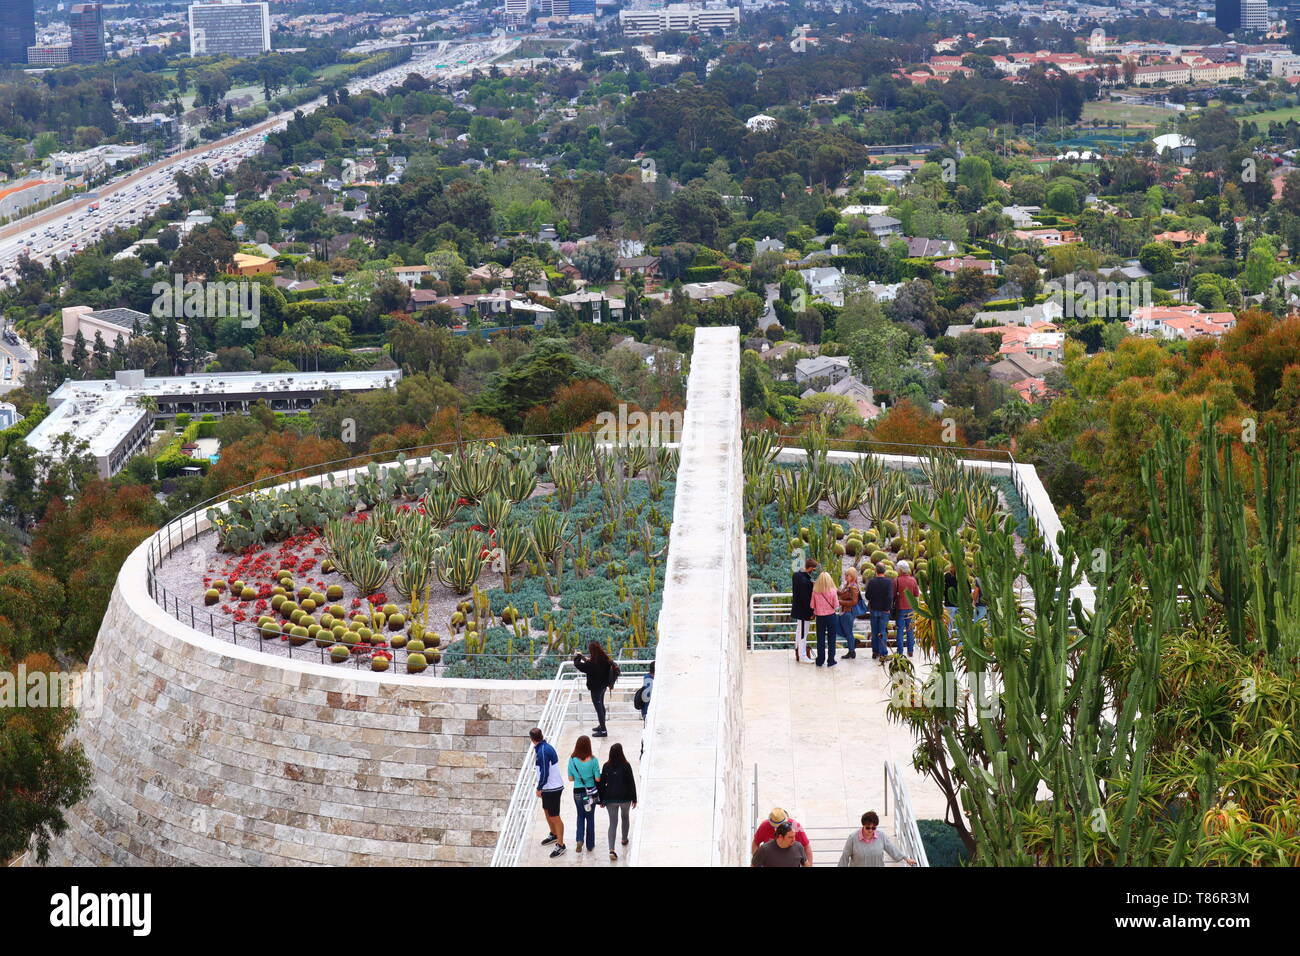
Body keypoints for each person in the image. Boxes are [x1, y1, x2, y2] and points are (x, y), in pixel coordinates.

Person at [530, 728, 566, 858]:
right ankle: (554, 834)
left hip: (552, 789)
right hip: (548, 788)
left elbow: (545, 771)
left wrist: (539, 787)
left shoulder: (543, 751)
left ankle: (561, 845)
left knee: (554, 816)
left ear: (531, 739)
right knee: (546, 811)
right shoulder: (543, 747)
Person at [599, 742, 637, 861]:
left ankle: (611, 849)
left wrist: (602, 799)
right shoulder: (626, 765)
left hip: (610, 799)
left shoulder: (606, 766)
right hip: (625, 798)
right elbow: (631, 782)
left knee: (613, 823)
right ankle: (624, 839)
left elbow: (602, 784)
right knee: (625, 817)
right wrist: (634, 798)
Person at [837, 811, 916, 867]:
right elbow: (845, 856)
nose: (870, 830)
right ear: (863, 825)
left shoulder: (881, 835)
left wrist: (906, 858)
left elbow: (891, 848)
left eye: (873, 827)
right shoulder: (853, 838)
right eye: (867, 828)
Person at [567, 735, 602, 853]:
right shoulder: (593, 760)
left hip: (577, 792)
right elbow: (598, 779)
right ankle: (590, 845)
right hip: (590, 792)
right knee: (590, 818)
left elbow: (570, 778)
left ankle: (579, 840)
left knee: (580, 816)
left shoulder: (572, 759)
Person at [573, 642, 615, 737]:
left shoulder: (593, 664)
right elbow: (589, 663)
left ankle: (603, 731)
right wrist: (582, 657)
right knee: (601, 706)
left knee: (599, 708)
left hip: (596, 689)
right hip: (603, 687)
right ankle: (601, 725)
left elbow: (578, 665)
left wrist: (577, 657)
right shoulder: (604, 659)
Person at [863, 563, 895, 660]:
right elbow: (890, 597)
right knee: (882, 632)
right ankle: (883, 653)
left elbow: (867, 596)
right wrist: (887, 609)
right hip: (884, 611)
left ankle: (875, 652)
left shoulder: (871, 582)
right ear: (884, 571)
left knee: (874, 631)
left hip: (873, 610)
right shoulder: (889, 582)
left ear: (875, 571)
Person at [790, 559, 818, 663]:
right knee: (803, 633)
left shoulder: (797, 576)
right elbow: (806, 599)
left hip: (799, 611)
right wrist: (812, 612)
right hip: (803, 612)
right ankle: (802, 656)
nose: (813, 572)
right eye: (813, 570)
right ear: (810, 568)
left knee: (799, 632)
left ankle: (798, 652)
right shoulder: (805, 581)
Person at [810, 571, 840, 667]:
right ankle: (831, 660)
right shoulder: (833, 590)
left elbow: (812, 605)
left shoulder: (815, 591)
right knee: (832, 639)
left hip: (820, 618)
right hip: (831, 617)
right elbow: (836, 606)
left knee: (820, 639)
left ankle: (820, 660)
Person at [893, 561, 921, 657]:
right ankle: (910, 651)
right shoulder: (913, 580)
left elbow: (892, 595)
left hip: (900, 608)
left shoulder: (897, 580)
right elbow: (916, 594)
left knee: (900, 631)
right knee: (910, 630)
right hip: (911, 608)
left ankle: (900, 652)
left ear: (900, 569)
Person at [837, 566, 861, 659]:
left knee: (848, 632)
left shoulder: (853, 587)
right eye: (845, 575)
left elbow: (854, 602)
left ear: (852, 576)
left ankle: (851, 651)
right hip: (844, 611)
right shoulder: (848, 585)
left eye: (847, 575)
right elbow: (843, 594)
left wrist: (839, 602)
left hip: (848, 612)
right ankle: (853, 644)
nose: (845, 577)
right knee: (845, 631)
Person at [943, 565, 960, 640]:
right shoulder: (961, 576)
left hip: (949, 603)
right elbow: (968, 589)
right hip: (959, 604)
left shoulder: (946, 576)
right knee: (960, 623)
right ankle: (961, 638)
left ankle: (948, 638)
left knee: (948, 623)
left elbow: (943, 588)